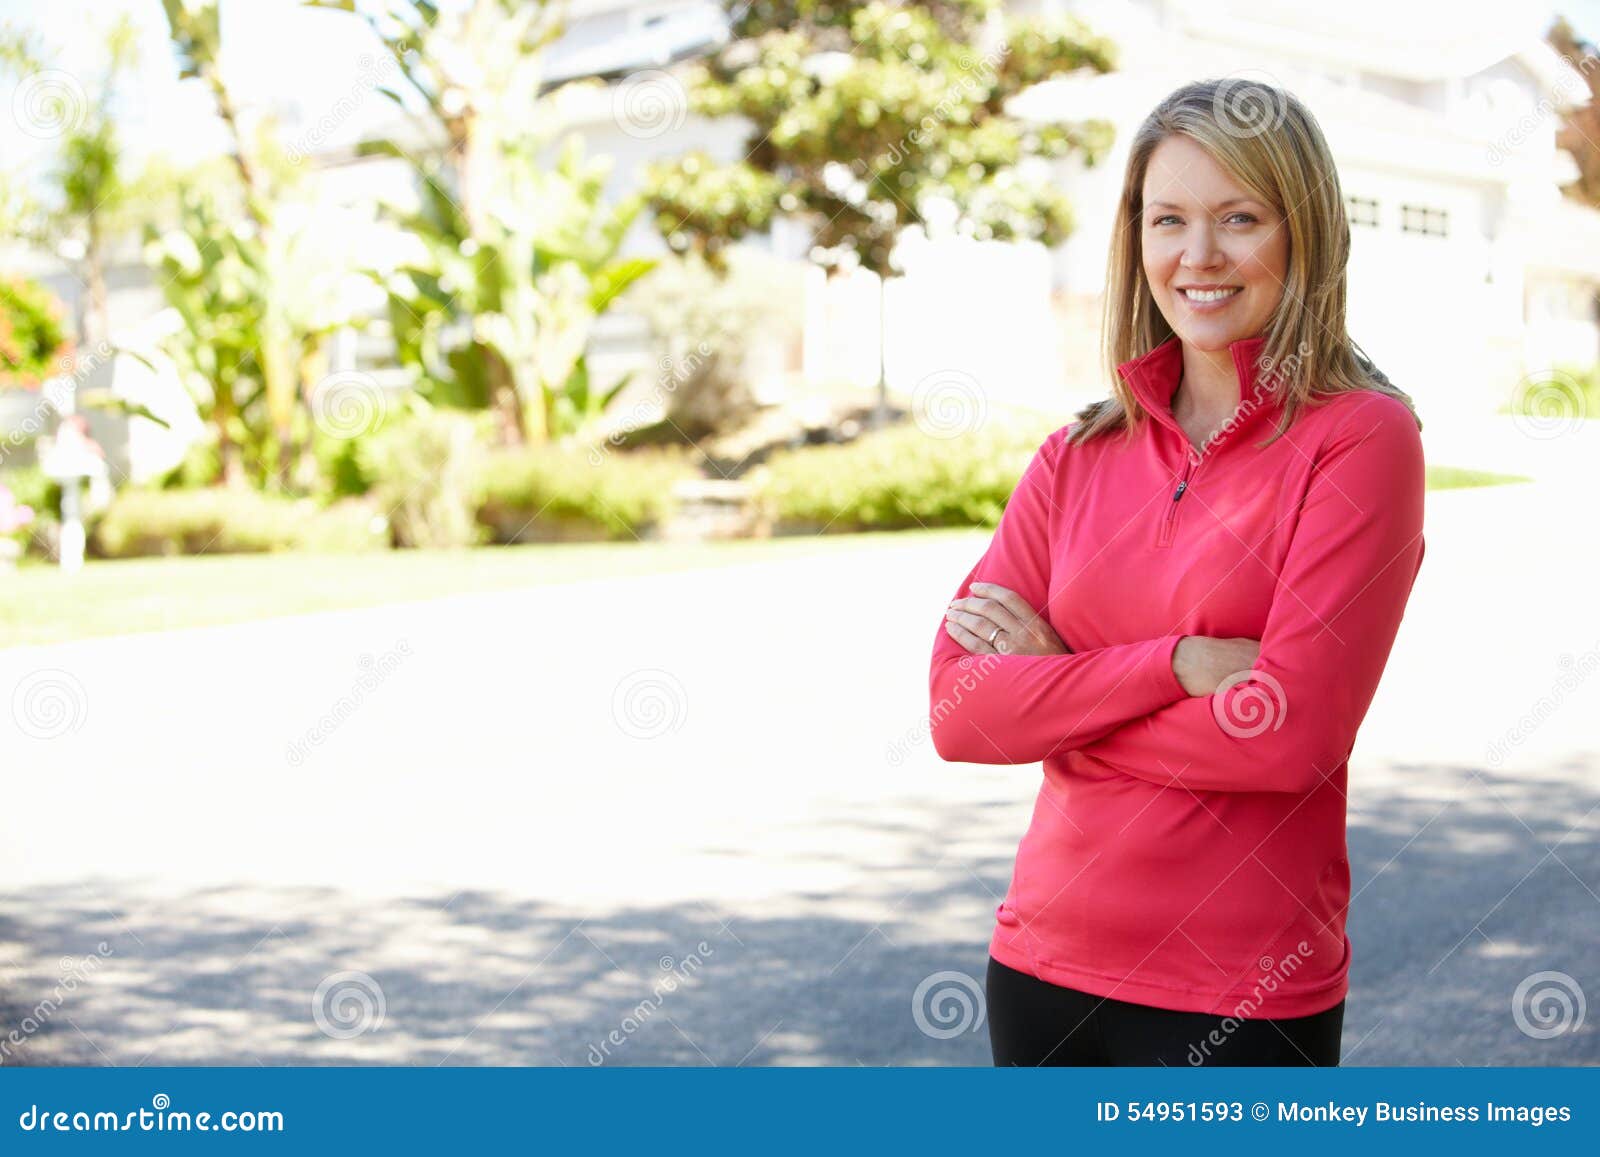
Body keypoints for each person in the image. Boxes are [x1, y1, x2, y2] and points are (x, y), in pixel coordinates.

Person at [927, 77, 1426, 1067]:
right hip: (1040, 968)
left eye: (1238, 218)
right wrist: (1180, 665)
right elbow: (960, 714)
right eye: (1168, 220)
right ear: (1136, 239)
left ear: (1306, 236)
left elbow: (1288, 738)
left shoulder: (1360, 438)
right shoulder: (1077, 452)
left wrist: (1062, 694)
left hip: (1239, 991)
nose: (1197, 257)